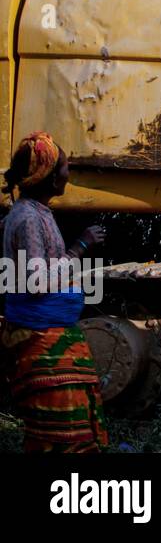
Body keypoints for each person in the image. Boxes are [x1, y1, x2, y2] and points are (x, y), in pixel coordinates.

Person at [0, 132, 108, 452]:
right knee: (62, 431)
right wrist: (81, 246)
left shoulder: (32, 212)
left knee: (64, 424)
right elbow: (37, 281)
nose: (68, 173)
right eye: (63, 167)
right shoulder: (30, 218)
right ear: (48, 177)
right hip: (40, 335)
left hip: (47, 332)